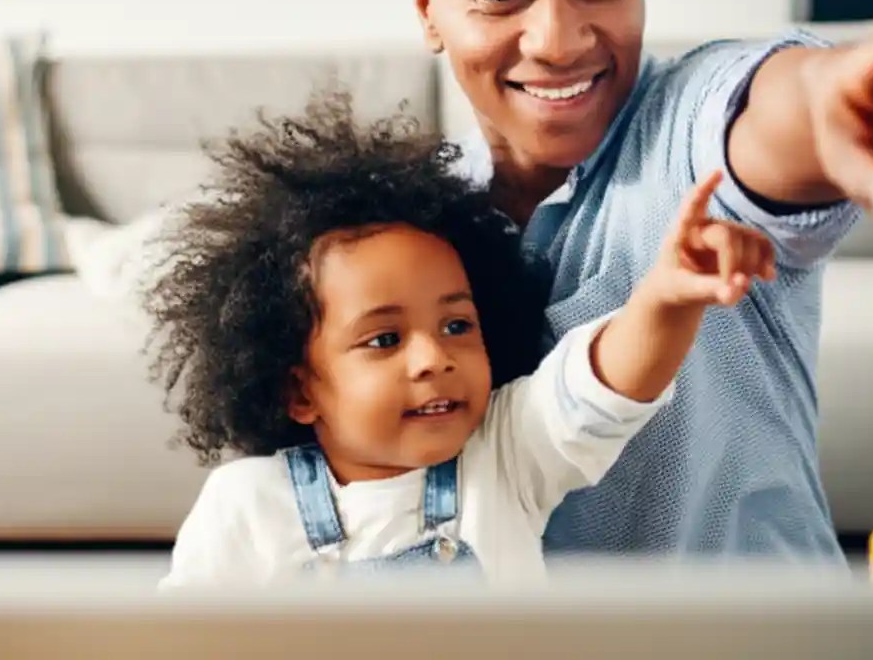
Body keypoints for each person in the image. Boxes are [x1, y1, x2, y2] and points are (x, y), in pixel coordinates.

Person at [409, 0, 873, 559]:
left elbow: (768, 109)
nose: (558, 42)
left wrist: (829, 90)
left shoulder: (688, 123)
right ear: (429, 10)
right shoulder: (412, 211)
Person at [151, 91, 776, 588]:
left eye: (456, 326)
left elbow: (602, 387)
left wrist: (666, 296)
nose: (433, 359)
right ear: (298, 390)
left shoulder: (504, 454)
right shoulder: (245, 505)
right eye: (384, 339)